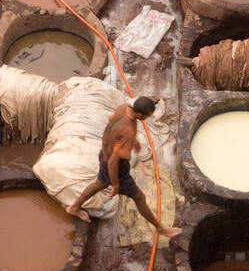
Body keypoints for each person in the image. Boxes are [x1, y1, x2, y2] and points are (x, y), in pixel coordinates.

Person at [67, 95, 181, 237]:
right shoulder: (126, 131)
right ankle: (160, 228)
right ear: (139, 114)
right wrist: (115, 185)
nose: (147, 119)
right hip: (115, 168)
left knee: (100, 183)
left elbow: (112, 121)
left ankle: (74, 207)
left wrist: (133, 141)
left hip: (104, 152)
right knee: (139, 198)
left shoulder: (124, 108)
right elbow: (113, 162)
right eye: (147, 116)